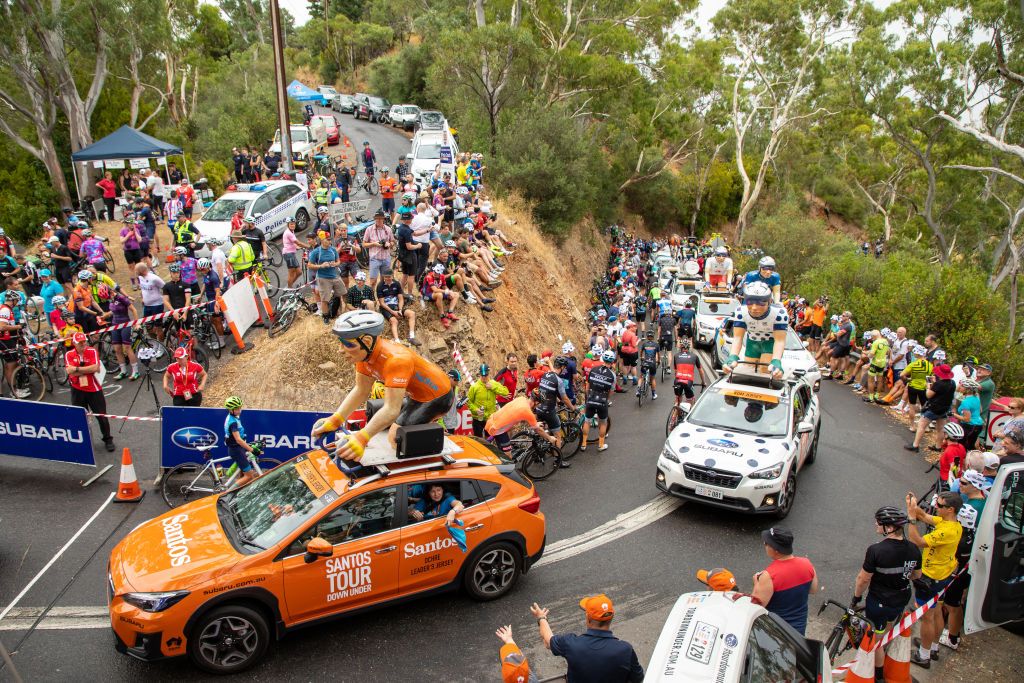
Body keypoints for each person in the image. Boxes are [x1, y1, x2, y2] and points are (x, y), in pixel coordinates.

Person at [311, 310, 454, 461]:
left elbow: (392, 410)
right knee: (378, 419)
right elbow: (361, 390)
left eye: (347, 344)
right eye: (340, 342)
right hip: (416, 394)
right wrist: (335, 419)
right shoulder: (364, 355)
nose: (340, 350)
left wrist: (362, 438)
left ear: (366, 342)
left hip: (438, 397)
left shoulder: (396, 360)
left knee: (394, 440)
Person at [851, 507, 922, 678]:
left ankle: (879, 674)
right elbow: (916, 575)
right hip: (901, 598)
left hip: (879, 602)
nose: (876, 524)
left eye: (879, 522)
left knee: (876, 641)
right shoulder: (913, 549)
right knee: (888, 626)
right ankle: (884, 641)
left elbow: (863, 579)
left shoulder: (876, 550)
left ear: (889, 528)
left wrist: (857, 596)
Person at [904, 490, 963, 668]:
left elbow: (917, 541)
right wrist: (913, 507)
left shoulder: (947, 531)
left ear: (950, 509)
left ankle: (924, 655)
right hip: (943, 575)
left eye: (939, 505)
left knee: (927, 617)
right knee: (937, 611)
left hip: (931, 577)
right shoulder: (952, 523)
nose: (935, 507)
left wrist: (911, 519)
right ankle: (933, 648)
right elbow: (927, 517)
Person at [529, 595, 644, 683]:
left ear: (588, 618)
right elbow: (638, 678)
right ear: (611, 618)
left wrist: (541, 618)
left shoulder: (571, 644)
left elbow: (548, 640)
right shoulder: (625, 650)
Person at [940, 469, 989, 652]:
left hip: (960, 565)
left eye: (963, 483)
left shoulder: (973, 510)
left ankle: (952, 637)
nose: (959, 485)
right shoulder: (982, 500)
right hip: (968, 562)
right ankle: (951, 631)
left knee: (952, 603)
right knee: (954, 600)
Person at [751, 527, 820, 635]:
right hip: (798, 631)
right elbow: (813, 590)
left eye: (766, 543)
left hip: (776, 633)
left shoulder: (769, 576)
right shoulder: (807, 564)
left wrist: (756, 583)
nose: (764, 545)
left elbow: (754, 608)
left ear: (776, 549)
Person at [725, 281, 788, 379]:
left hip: (769, 343)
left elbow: (779, 340)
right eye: (750, 302)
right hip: (752, 342)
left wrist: (776, 360)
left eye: (761, 303)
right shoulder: (740, 311)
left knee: (766, 371)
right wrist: (732, 356)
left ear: (770, 302)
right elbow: (737, 337)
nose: (754, 308)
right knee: (749, 372)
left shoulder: (779, 313)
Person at [65, 332, 115, 452]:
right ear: (74, 343)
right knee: (80, 417)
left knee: (101, 416)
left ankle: (108, 439)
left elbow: (95, 368)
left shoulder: (92, 351)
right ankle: (84, 440)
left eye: (84, 342)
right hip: (77, 389)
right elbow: (69, 372)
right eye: (80, 343)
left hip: (93, 389)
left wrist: (77, 369)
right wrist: (86, 369)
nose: (83, 344)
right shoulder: (69, 354)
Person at [581, 350, 616, 452]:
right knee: (603, 422)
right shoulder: (612, 375)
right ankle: (600, 445)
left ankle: (583, 444)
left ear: (602, 359)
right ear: (612, 361)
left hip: (591, 398)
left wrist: (588, 396)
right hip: (602, 400)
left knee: (587, 421)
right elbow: (611, 391)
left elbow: (588, 385)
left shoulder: (594, 369)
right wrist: (607, 399)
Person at [374, 268, 420, 346]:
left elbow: (401, 298)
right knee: (394, 321)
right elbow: (382, 303)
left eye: (389, 277)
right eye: (386, 277)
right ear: (383, 277)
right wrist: (393, 312)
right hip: (386, 307)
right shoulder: (380, 286)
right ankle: (397, 341)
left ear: (393, 276)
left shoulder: (397, 284)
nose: (387, 278)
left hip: (396, 305)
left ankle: (411, 337)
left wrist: (400, 309)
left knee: (412, 313)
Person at [223, 396, 257, 487]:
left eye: (240, 408)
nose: (240, 410)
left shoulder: (233, 417)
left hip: (238, 448)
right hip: (236, 450)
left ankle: (237, 492)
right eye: (237, 409)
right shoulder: (232, 422)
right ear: (231, 410)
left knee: (243, 473)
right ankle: (227, 494)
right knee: (249, 476)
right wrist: (252, 450)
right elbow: (238, 440)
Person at [362, 209, 394, 286]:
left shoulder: (388, 229)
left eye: (380, 218)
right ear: (375, 219)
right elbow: (364, 244)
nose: (378, 220)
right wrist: (374, 244)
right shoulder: (369, 229)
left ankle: (382, 296)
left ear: (383, 219)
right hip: (374, 258)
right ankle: (372, 297)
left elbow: (393, 241)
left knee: (385, 281)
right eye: (377, 218)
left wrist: (389, 244)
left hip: (386, 258)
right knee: (373, 281)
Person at [952, 378, 985, 450]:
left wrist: (953, 414)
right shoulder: (976, 397)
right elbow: (980, 410)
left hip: (970, 426)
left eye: (962, 386)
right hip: (978, 425)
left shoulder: (966, 402)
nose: (959, 387)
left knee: (963, 446)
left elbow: (967, 419)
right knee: (971, 445)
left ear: (968, 389)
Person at [672, 337, 703, 408]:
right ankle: (686, 414)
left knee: (678, 399)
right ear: (688, 347)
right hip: (688, 381)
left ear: (681, 347)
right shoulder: (694, 356)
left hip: (677, 381)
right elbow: (701, 371)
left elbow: (676, 371)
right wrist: (703, 382)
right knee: (690, 400)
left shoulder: (676, 356)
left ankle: (675, 415)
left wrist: (677, 380)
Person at [863, 330, 890, 403]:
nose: (872, 339)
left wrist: (867, 354)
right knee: (880, 380)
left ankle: (871, 397)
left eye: (872, 337)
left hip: (875, 363)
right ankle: (877, 396)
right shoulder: (886, 341)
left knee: (870, 380)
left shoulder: (875, 342)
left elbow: (871, 354)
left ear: (874, 336)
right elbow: (887, 352)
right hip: (882, 362)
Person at [637, 329, 660, 399]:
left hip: (645, 362)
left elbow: (641, 352)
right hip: (652, 363)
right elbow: (658, 355)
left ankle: (638, 390)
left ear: (647, 337)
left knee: (641, 376)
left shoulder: (644, 344)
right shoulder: (656, 345)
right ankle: (653, 394)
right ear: (653, 337)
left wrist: (641, 357)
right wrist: (658, 361)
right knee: (652, 379)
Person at [282, 217, 303, 289]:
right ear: (288, 225)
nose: (293, 225)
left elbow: (292, 242)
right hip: (288, 254)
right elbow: (298, 242)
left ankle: (289, 286)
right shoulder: (288, 233)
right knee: (292, 273)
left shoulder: (291, 231)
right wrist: (308, 246)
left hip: (291, 254)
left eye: (294, 224)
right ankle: (289, 289)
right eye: (291, 224)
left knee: (299, 272)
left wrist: (296, 246)